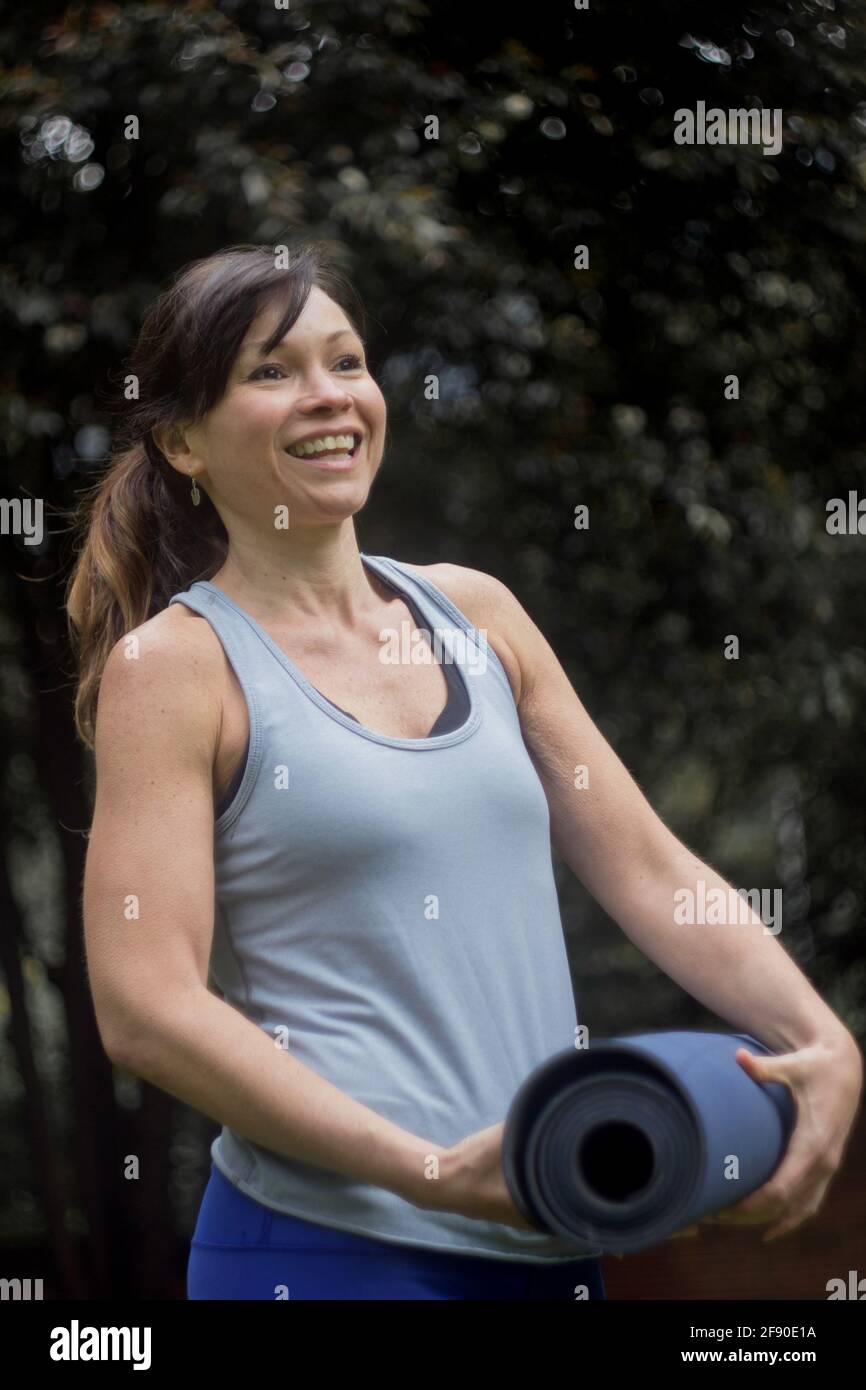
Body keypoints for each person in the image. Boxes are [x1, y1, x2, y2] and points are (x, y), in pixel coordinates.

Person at [67, 242, 862, 1301]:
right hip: (326, 1250)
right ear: (180, 440)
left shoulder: (473, 614)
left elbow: (645, 868)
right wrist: (429, 1172)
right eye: (270, 372)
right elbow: (145, 1008)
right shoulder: (174, 669)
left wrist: (822, 1038)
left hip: (552, 1232)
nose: (328, 398)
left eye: (346, 362)